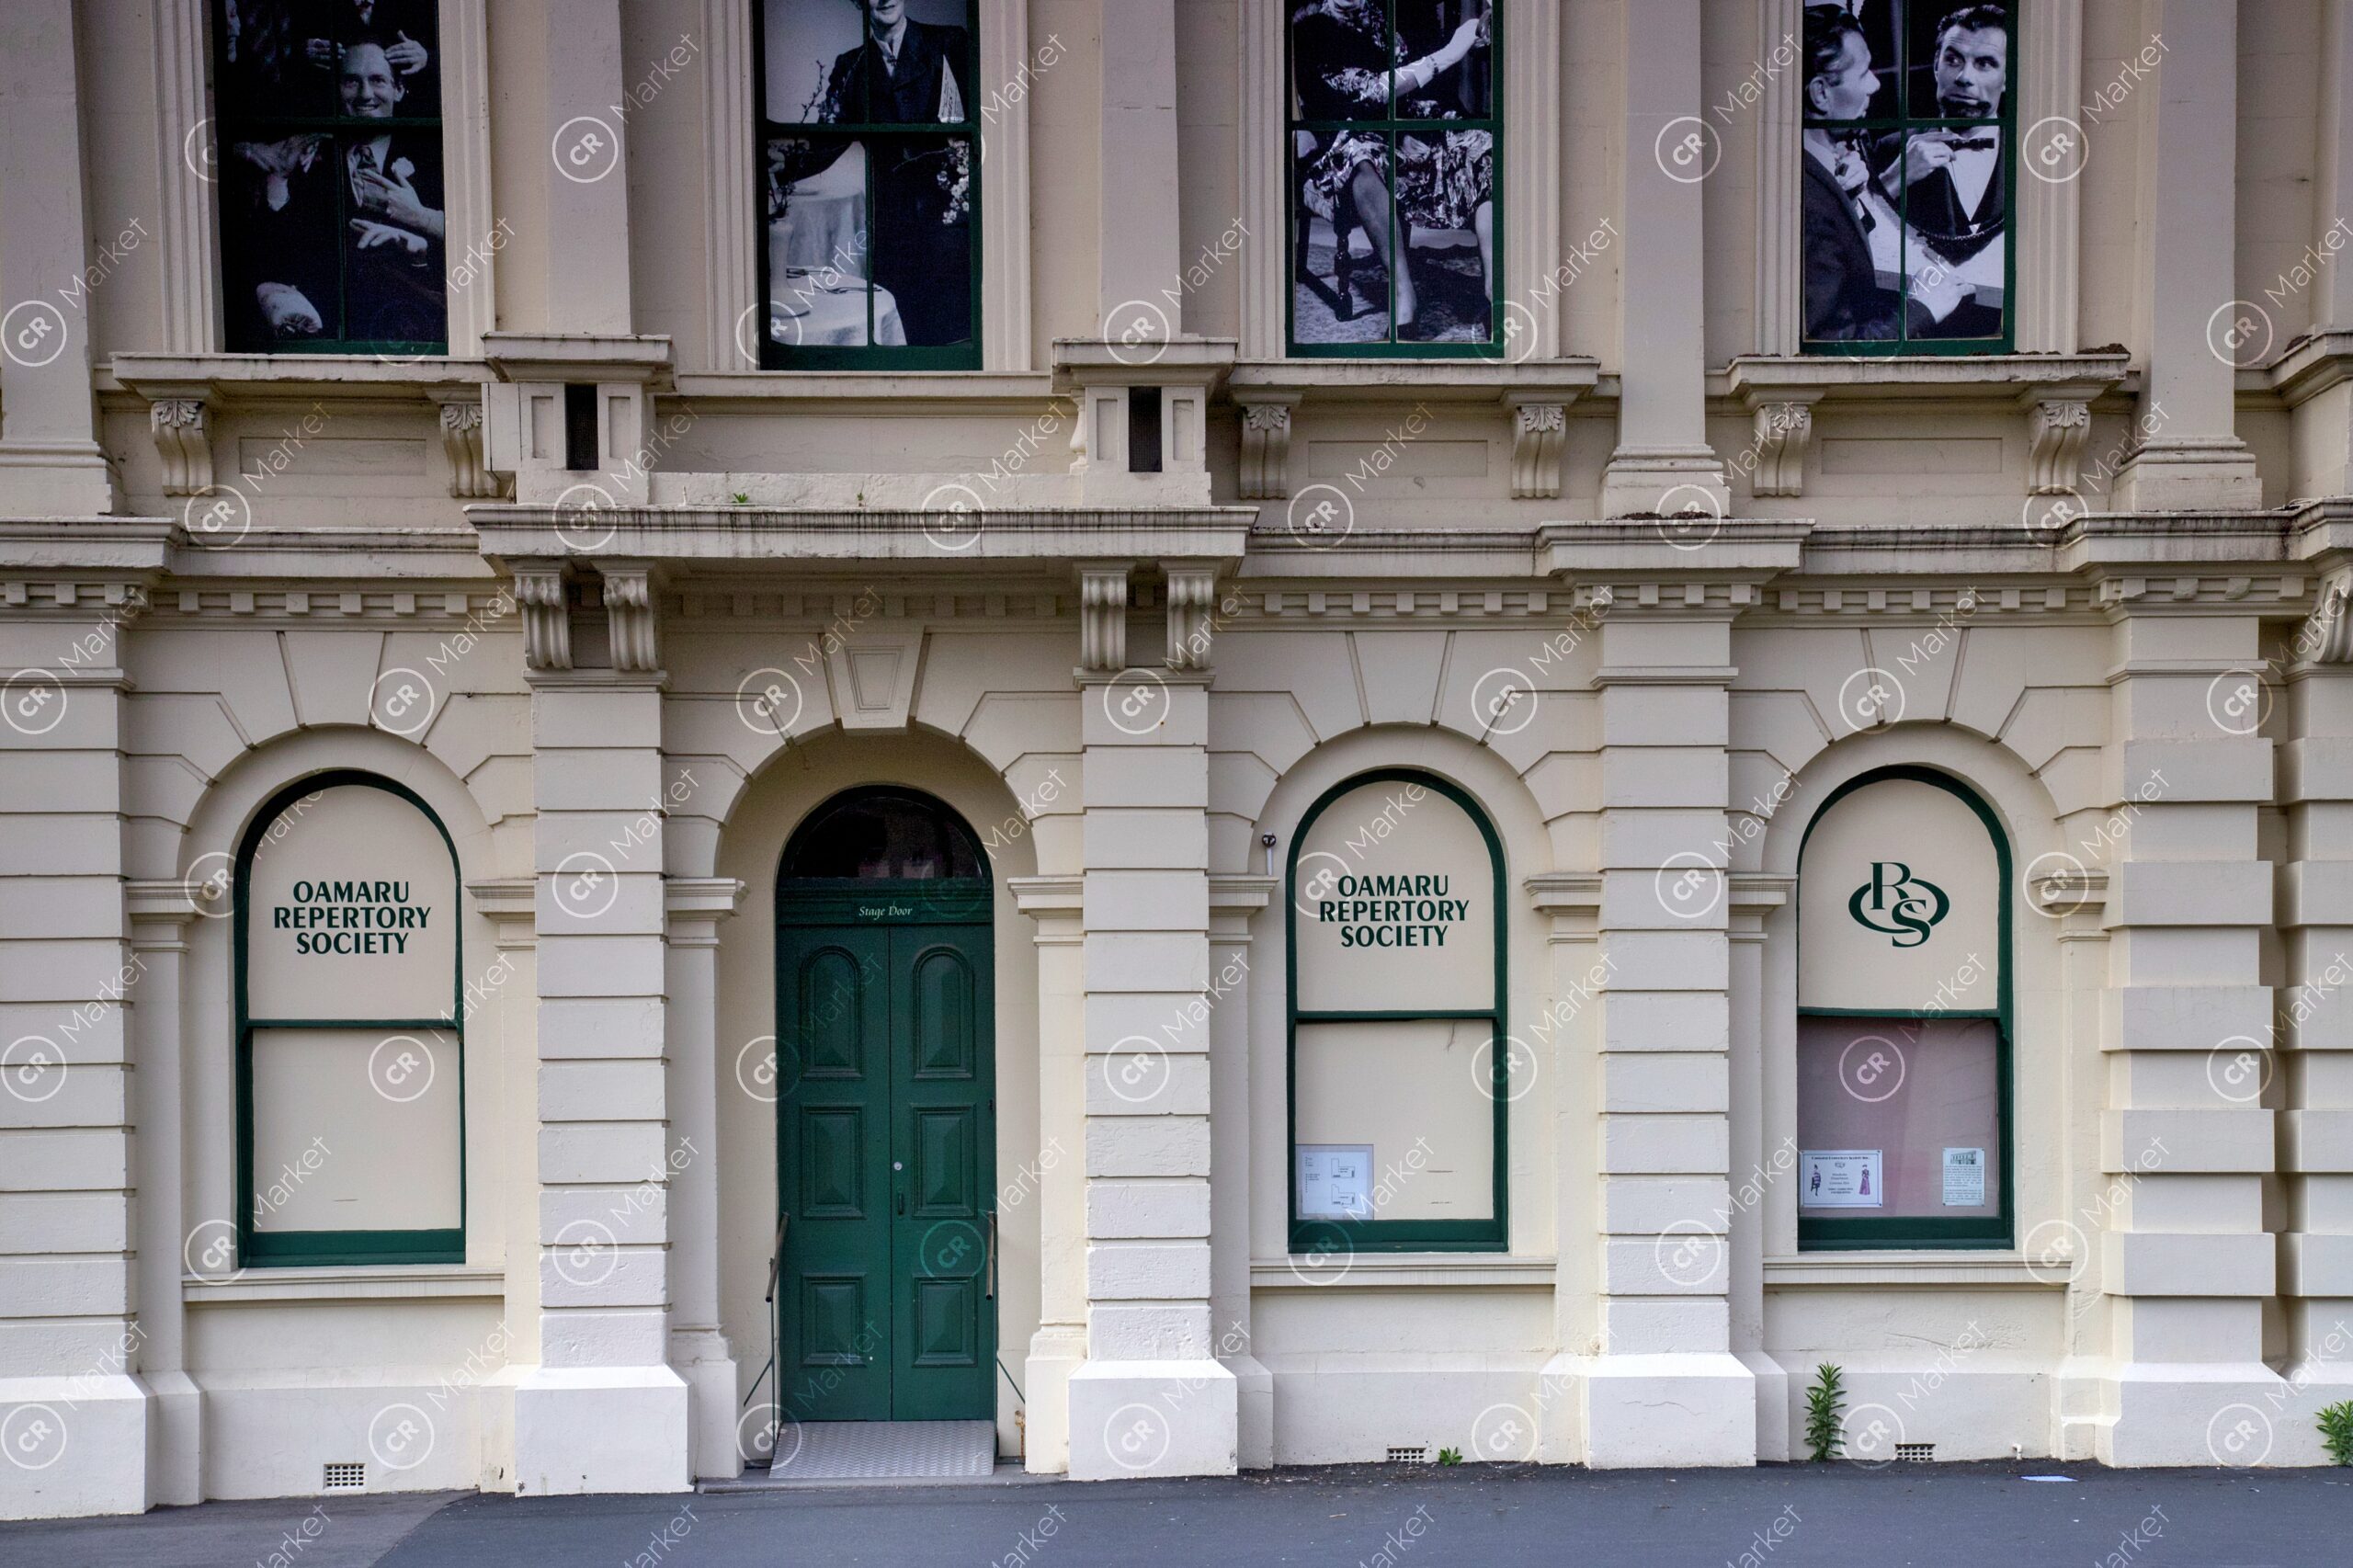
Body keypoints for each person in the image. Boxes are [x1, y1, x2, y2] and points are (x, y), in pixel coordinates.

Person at [1292, 0, 1493, 341]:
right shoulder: (1312, 26)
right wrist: (1448, 53)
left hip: (1409, 128)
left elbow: (1420, 81)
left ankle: (1495, 290)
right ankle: (1403, 297)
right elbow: (1368, 90)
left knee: (1482, 144)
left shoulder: (1387, 11)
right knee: (1357, 155)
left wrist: (1481, 27)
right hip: (1350, 135)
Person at [230, 36, 445, 347]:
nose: (365, 94)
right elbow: (275, 260)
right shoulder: (313, 161)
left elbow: (471, 254)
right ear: (336, 90)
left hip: (412, 341)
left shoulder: (434, 158)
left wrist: (421, 222)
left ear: (398, 90)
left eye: (377, 81)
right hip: (331, 345)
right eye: (351, 82)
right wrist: (278, 180)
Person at [1800, 6, 1962, 341]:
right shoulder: (1810, 201)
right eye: (1863, 74)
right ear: (1820, 94)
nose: (1875, 84)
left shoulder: (1822, 170)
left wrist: (1850, 201)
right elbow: (1832, 346)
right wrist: (1922, 309)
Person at [816, 0, 974, 347]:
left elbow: (988, 128)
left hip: (947, 232)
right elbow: (821, 146)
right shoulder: (850, 67)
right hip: (892, 235)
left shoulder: (949, 44)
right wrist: (778, 163)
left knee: (953, 346)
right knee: (902, 348)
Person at [1885, 3, 2007, 337]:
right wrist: (1896, 179)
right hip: (1912, 346)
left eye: (1985, 63)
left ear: (2007, 77)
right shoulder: (1889, 151)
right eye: (1953, 59)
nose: (1964, 77)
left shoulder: (2033, 157)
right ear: (1936, 67)